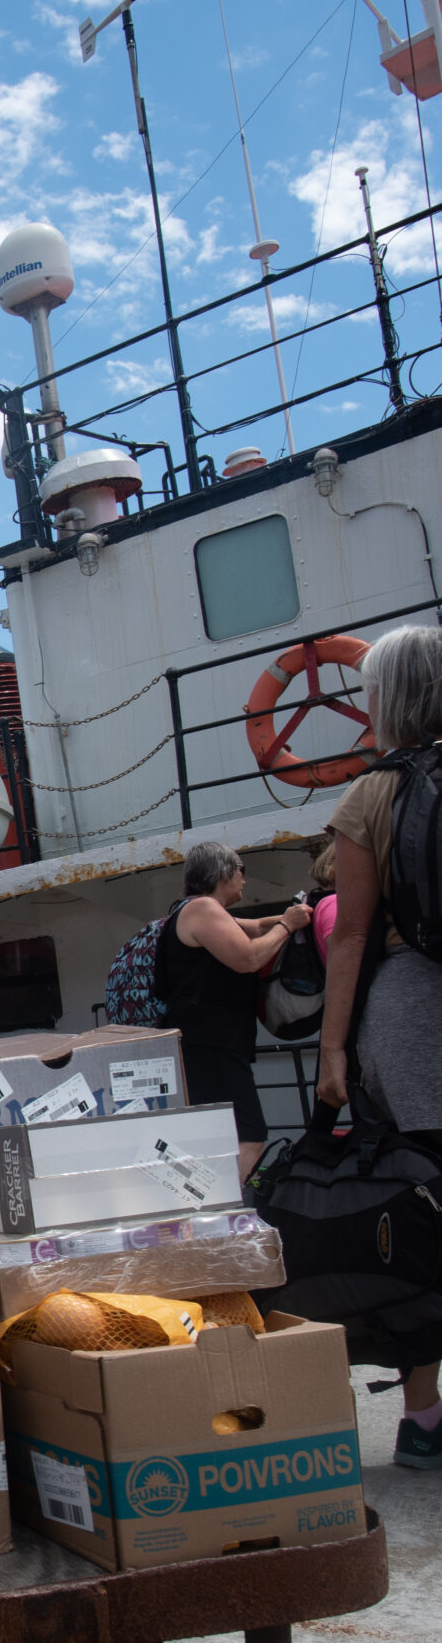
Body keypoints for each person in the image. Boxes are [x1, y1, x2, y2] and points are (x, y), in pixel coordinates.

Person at [317, 624, 442, 1468]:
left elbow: (351, 936)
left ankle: (425, 1421)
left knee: (421, 1211)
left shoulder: (372, 796)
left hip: (409, 1013)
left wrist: (333, 1052)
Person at [154, 841, 311, 1182]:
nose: (244, 878)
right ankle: (224, 1211)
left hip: (206, 1041)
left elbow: (253, 928)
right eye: (242, 870)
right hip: (209, 1042)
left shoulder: (196, 909)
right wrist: (287, 927)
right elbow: (249, 958)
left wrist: (295, 916)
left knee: (220, 1137)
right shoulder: (204, 910)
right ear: (225, 871)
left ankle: (213, 1207)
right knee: (249, 1137)